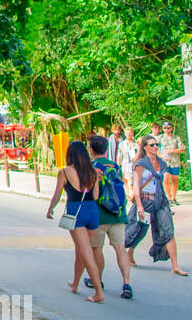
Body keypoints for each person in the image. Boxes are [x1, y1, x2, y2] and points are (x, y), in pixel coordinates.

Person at [46, 140, 105, 302]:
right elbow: (95, 196)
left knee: (86, 253)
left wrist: (50, 209)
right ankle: (75, 283)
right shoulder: (93, 171)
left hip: (76, 212)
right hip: (92, 211)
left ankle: (98, 292)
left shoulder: (64, 172)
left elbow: (57, 194)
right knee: (81, 250)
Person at [88, 135, 135, 299]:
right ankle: (126, 283)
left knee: (96, 249)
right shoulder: (115, 166)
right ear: (106, 149)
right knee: (120, 249)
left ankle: (98, 280)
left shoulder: (91, 166)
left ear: (91, 149)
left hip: (99, 214)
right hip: (118, 214)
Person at [133, 136, 188, 276]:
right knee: (139, 230)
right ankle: (129, 253)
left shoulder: (162, 164)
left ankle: (175, 265)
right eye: (152, 145)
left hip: (160, 201)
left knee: (168, 230)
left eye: (157, 145)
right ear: (145, 147)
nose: (155, 147)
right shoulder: (140, 164)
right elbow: (136, 187)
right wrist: (139, 205)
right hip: (145, 201)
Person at [159, 120, 186, 204]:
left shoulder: (176, 138)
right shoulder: (160, 138)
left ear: (171, 128)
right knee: (166, 179)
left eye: (168, 128)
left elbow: (182, 149)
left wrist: (172, 150)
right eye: (164, 128)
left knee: (174, 180)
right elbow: (155, 150)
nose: (166, 130)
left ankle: (174, 198)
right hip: (164, 162)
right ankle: (169, 198)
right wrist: (161, 156)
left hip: (175, 161)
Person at [117, 126, 138, 194]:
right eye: (127, 133)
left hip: (134, 164)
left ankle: (132, 194)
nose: (129, 134)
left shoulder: (136, 143)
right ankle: (127, 195)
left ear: (132, 133)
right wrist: (117, 166)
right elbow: (119, 156)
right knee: (125, 180)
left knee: (132, 180)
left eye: (130, 133)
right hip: (125, 164)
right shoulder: (122, 144)